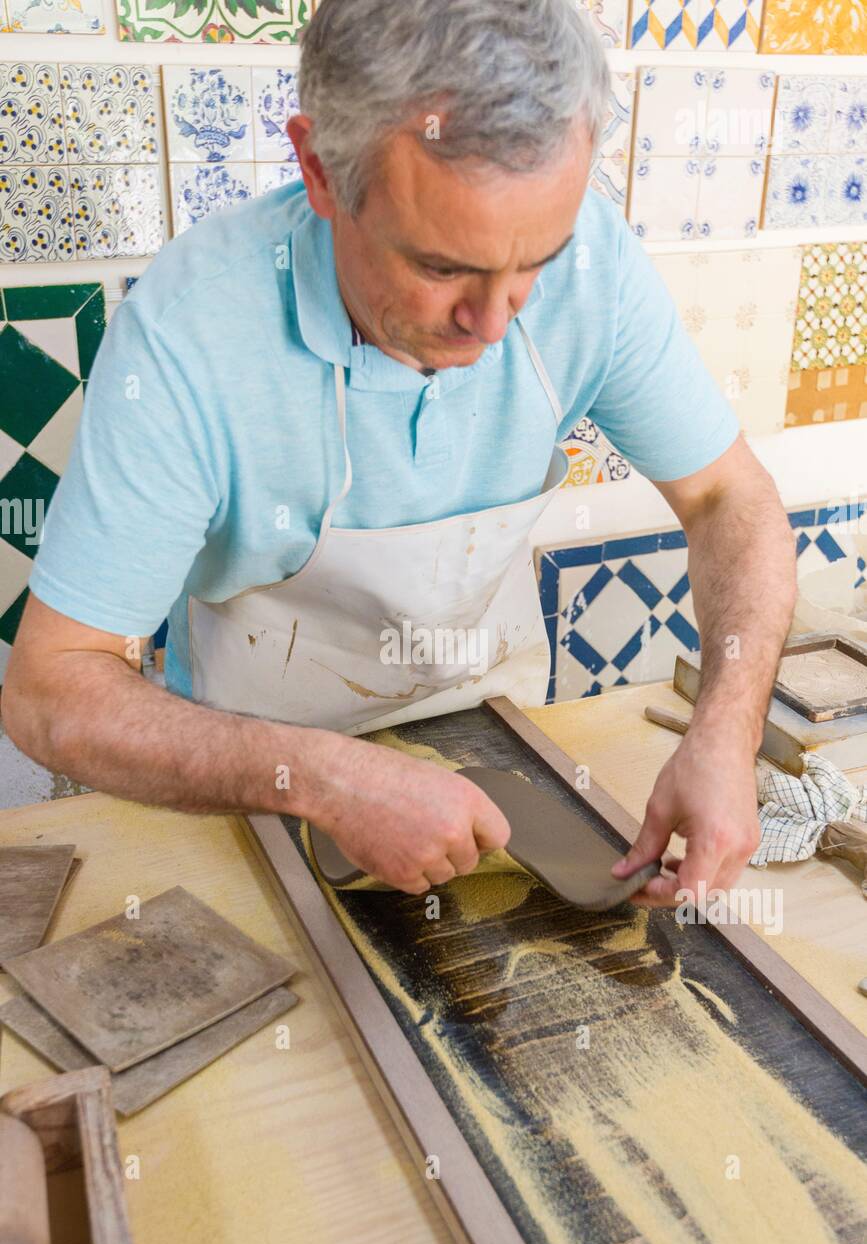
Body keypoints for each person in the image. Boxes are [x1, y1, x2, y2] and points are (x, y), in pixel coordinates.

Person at [3, 0, 795, 902]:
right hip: (254, 786)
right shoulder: (189, 329)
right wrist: (324, 777)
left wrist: (725, 733)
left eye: (535, 261)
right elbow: (50, 689)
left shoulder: (597, 268)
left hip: (501, 745)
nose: (492, 323)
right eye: (440, 267)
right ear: (320, 170)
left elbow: (726, 497)